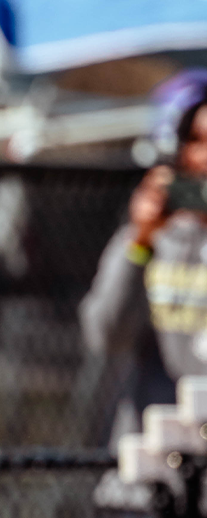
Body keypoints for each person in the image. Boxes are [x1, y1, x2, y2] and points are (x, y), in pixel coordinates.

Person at [81, 73, 207, 443]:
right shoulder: (146, 241)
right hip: (153, 460)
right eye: (198, 141)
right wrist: (141, 240)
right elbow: (105, 334)